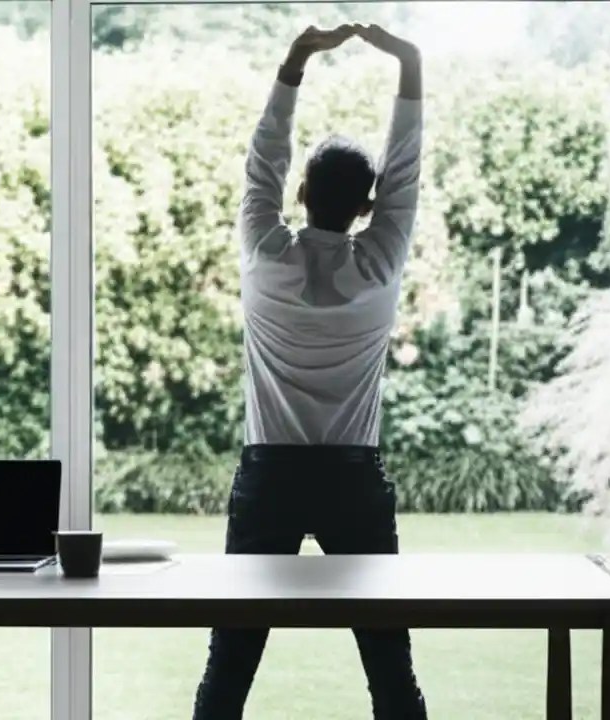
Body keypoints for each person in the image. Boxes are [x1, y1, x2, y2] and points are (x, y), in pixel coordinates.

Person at [191, 23, 427, 720]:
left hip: (270, 478)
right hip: (353, 480)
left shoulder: (265, 255)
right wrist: (408, 64)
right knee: (390, 666)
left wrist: (296, 60)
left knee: (229, 665)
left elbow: (260, 162)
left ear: (301, 194)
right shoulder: (378, 265)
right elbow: (405, 171)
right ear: (366, 206)